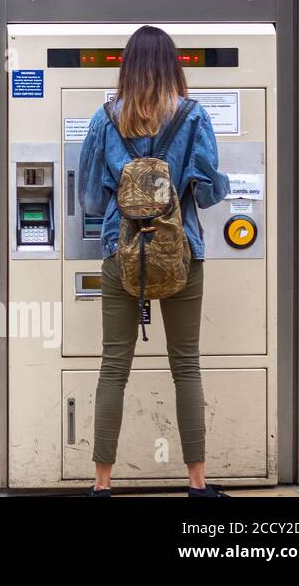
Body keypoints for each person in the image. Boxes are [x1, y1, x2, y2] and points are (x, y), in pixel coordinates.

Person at [77, 26, 231, 497]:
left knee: (112, 368)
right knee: (186, 366)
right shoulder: (193, 116)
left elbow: (87, 197)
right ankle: (197, 484)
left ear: (127, 66)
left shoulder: (105, 119)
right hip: (181, 253)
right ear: (172, 66)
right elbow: (207, 193)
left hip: (120, 255)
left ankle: (102, 485)